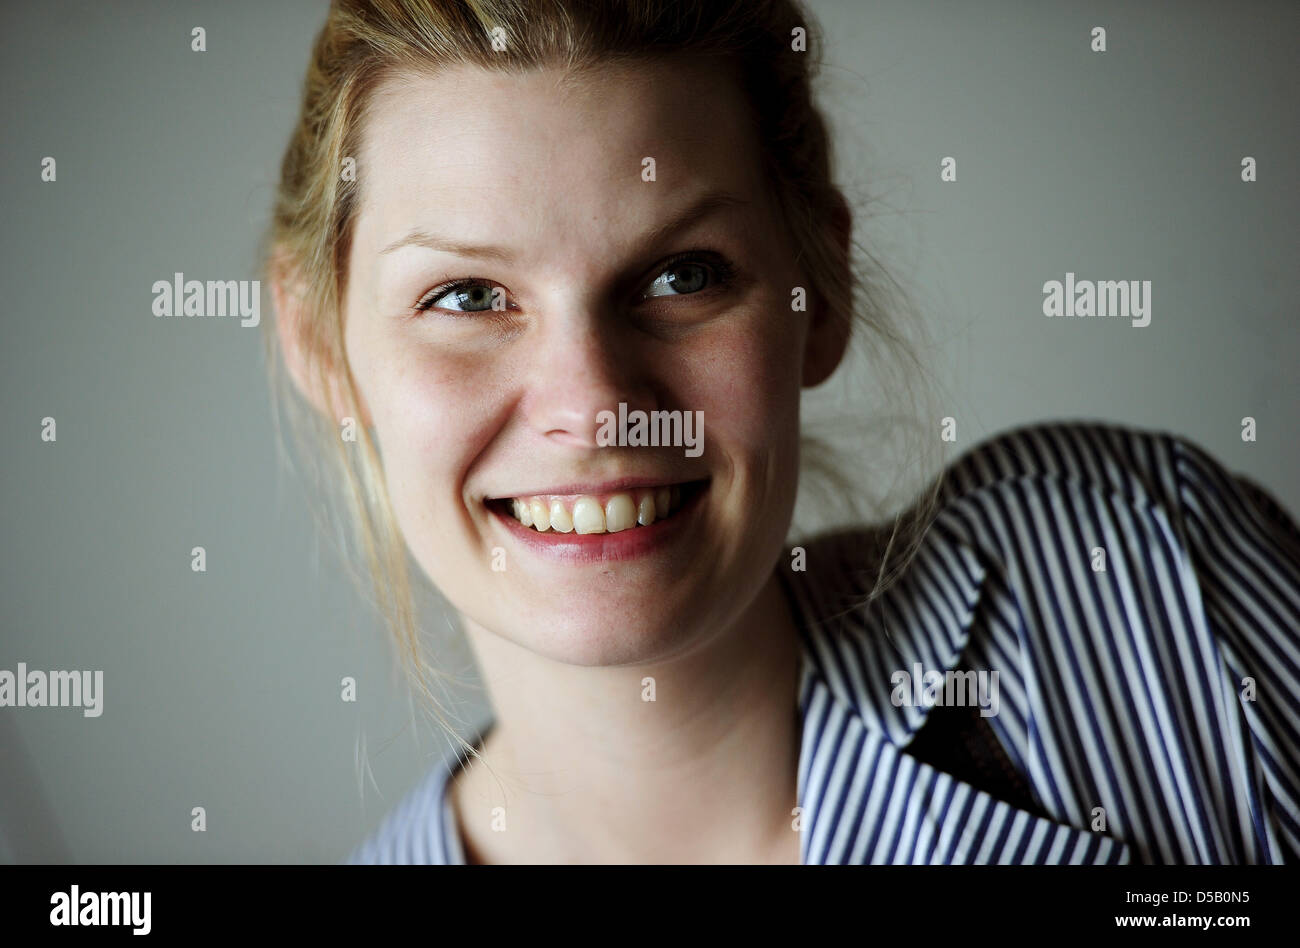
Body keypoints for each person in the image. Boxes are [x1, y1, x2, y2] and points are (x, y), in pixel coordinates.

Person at [263, 0, 1300, 864]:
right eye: (467, 294)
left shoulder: (1125, 571)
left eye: (684, 275)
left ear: (822, 291)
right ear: (322, 349)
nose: (592, 407)